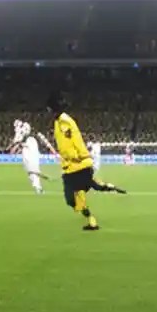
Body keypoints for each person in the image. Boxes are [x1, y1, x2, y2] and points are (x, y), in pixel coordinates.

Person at [49, 91, 125, 231]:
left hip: (75, 165)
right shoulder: (61, 120)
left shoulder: (63, 121)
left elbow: (69, 141)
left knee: (72, 198)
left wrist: (71, 155)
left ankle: (101, 195)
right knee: (84, 191)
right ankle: (94, 218)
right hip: (76, 165)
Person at [10, 119, 55, 194]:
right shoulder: (31, 131)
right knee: (30, 167)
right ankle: (37, 180)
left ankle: (37, 184)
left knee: (30, 168)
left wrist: (14, 149)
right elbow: (19, 143)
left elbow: (18, 142)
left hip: (30, 145)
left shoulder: (20, 131)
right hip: (30, 146)